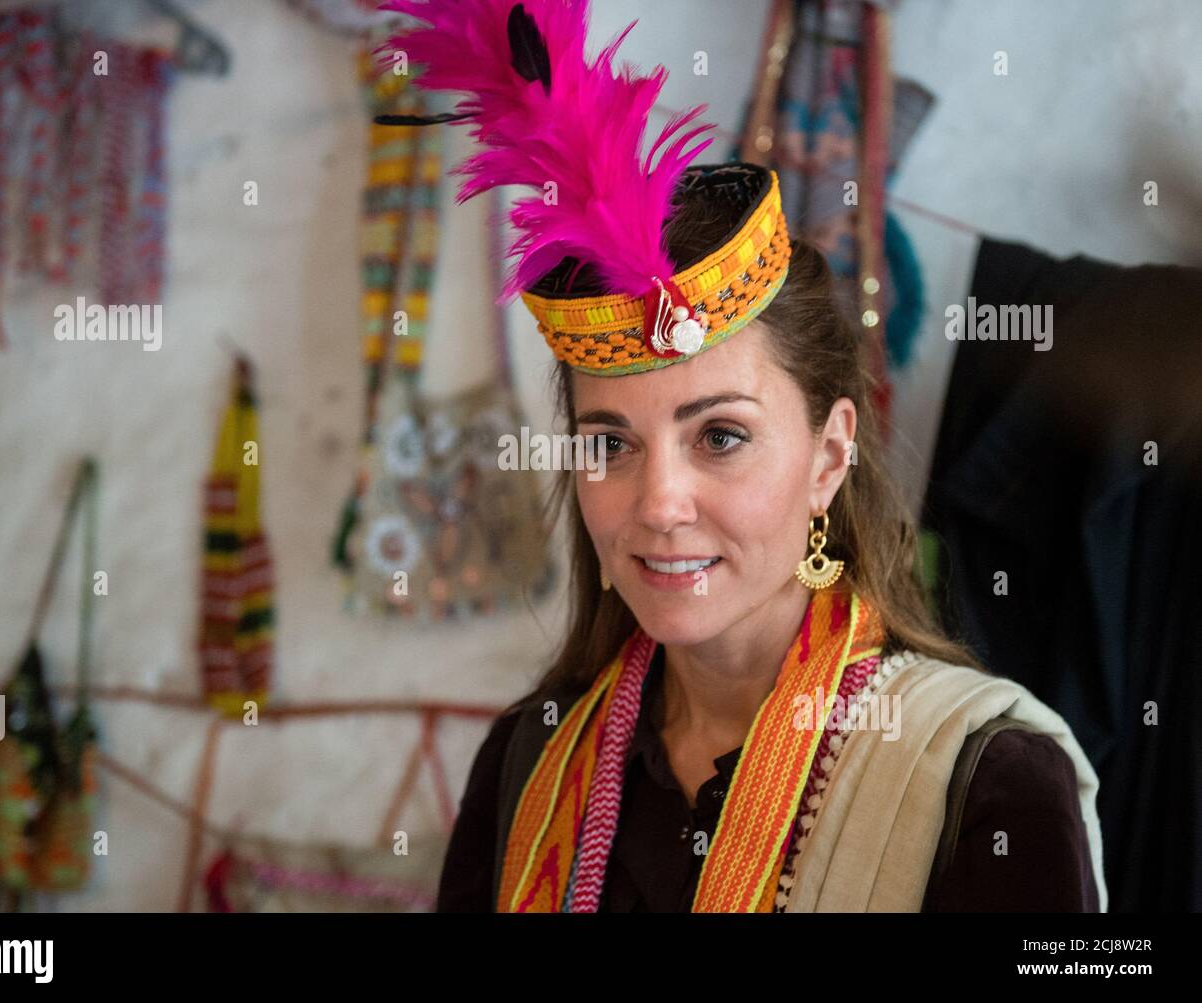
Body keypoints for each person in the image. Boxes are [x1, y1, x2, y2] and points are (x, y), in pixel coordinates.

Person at [375, 0, 1106, 912]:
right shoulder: (527, 762)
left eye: (719, 436)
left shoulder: (983, 783)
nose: (659, 502)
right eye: (612, 443)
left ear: (830, 454)